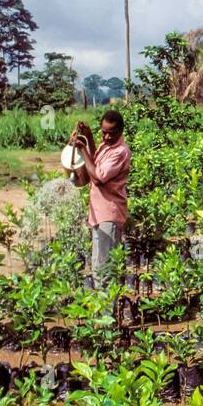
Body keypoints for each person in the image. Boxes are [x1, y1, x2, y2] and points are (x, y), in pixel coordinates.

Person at [72, 110, 131, 280]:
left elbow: (98, 178)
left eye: (111, 134)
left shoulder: (119, 151)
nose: (106, 137)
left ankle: (106, 307)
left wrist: (82, 148)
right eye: (103, 133)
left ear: (120, 131)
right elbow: (95, 161)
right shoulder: (106, 146)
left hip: (109, 216)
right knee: (98, 267)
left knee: (104, 273)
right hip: (99, 214)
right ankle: (103, 306)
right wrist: (89, 138)